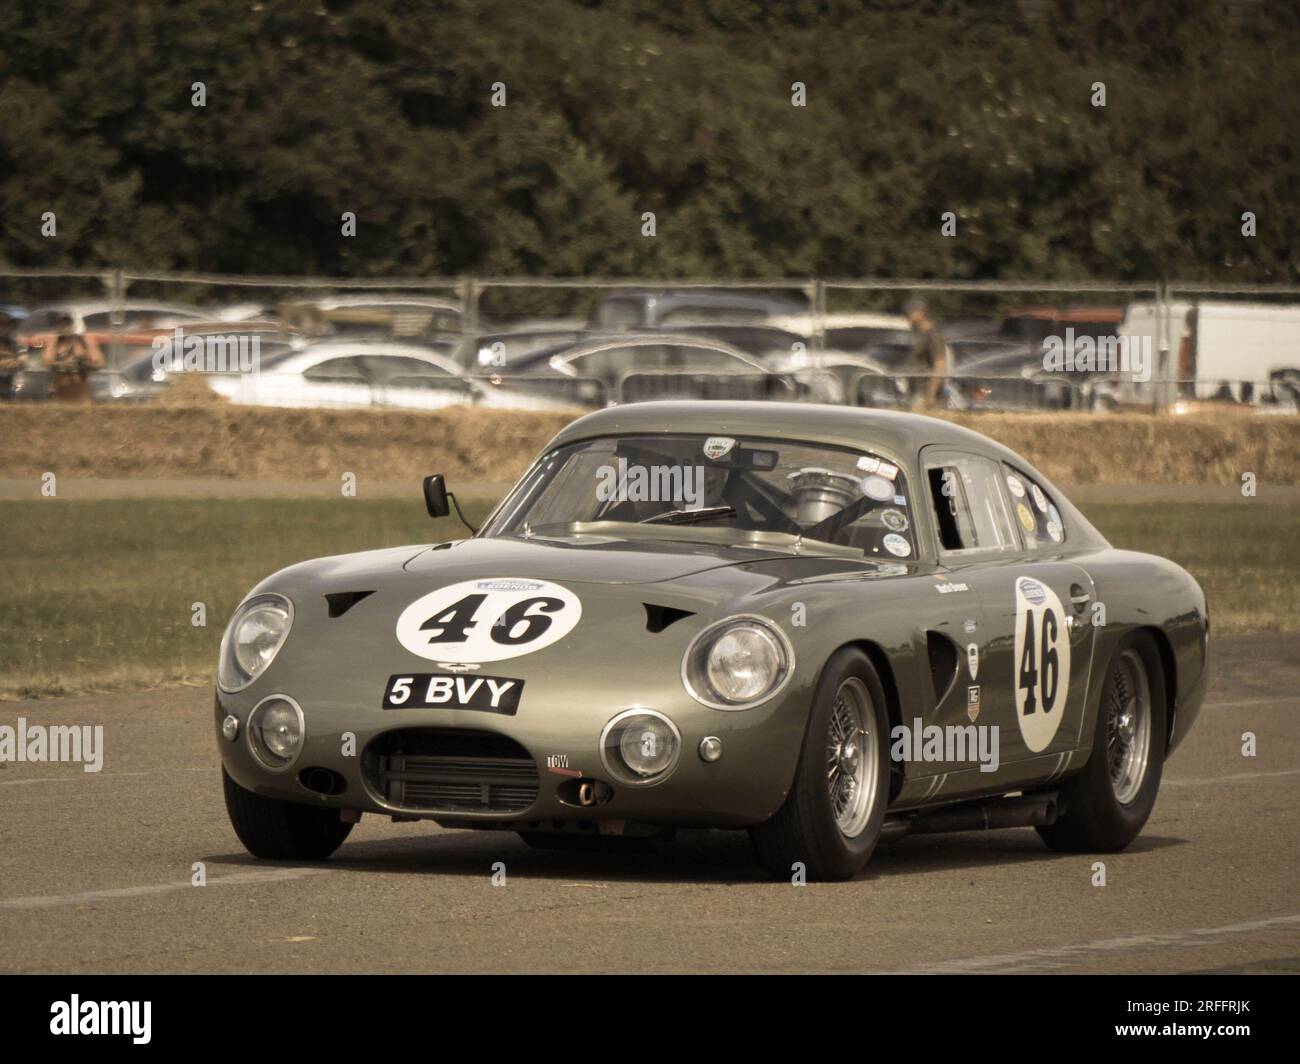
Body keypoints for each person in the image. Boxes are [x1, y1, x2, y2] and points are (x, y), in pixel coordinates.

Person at [43, 314, 103, 402]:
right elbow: (46, 362)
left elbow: (100, 363)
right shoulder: (55, 343)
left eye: (68, 324)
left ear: (73, 326)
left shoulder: (83, 342)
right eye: (62, 325)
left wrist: (82, 365)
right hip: (61, 392)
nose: (65, 328)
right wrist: (62, 365)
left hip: (81, 393)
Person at [904, 297, 948, 409]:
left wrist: (931, 393)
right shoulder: (919, 334)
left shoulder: (932, 335)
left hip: (925, 393)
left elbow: (940, 365)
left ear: (921, 312)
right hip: (916, 390)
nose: (908, 316)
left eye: (911, 312)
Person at [0, 311, 26, 400]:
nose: (2, 327)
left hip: (9, 382)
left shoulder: (14, 342)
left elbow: (22, 359)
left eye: (6, 324)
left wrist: (16, 361)